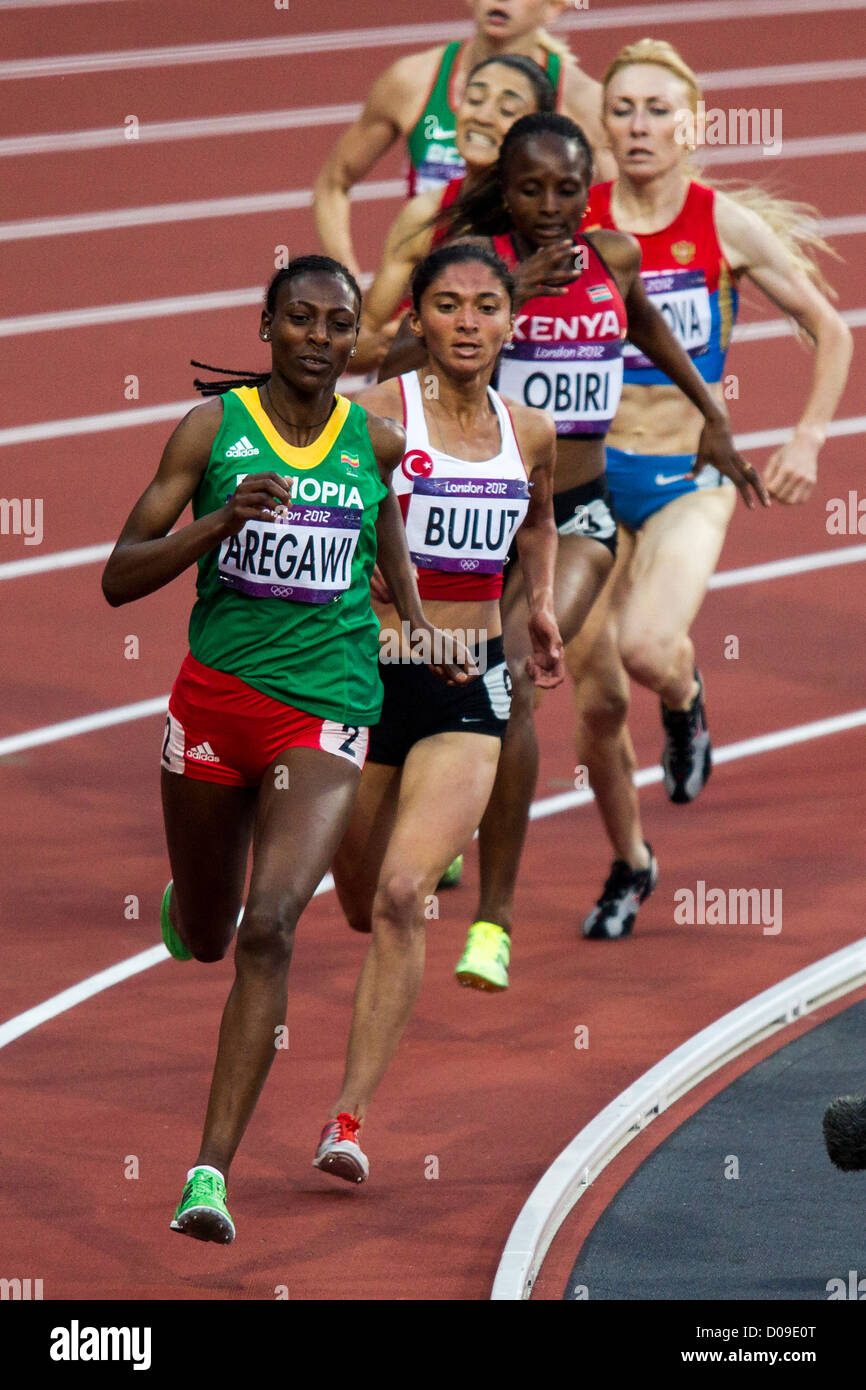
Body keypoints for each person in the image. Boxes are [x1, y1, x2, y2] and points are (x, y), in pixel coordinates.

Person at [101, 255, 465, 1244]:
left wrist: (415, 611)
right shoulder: (210, 433)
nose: (317, 335)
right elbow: (117, 577)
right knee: (215, 929)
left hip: (327, 706)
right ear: (265, 328)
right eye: (298, 318)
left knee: (271, 928)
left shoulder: (370, 438)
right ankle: (195, 902)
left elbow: (382, 509)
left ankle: (206, 1175)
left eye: (335, 323)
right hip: (214, 706)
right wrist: (220, 520)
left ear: (353, 339)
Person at [376, 111, 767, 991]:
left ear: (585, 188)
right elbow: (390, 360)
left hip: (571, 512)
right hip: (464, 522)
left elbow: (651, 332)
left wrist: (715, 415)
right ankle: (426, 820)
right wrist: (509, 285)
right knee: (395, 674)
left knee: (508, 688)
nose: (550, 205)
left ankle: (493, 921)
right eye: (530, 187)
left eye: (565, 188)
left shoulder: (615, 258)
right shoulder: (476, 268)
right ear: (505, 190)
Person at [566, 38, 852, 939]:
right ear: (602, 125)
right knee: (600, 697)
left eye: (658, 110)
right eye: (624, 109)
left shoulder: (719, 222)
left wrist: (806, 439)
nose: (640, 125)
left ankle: (687, 707)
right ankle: (631, 863)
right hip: (587, 485)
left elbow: (829, 328)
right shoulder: (576, 221)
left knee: (652, 650)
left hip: (688, 476)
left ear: (693, 125)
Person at [312, 242, 564, 1183]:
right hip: (362, 681)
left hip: (468, 686)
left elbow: (539, 518)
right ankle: (216, 873)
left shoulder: (530, 430)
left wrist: (535, 603)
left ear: (511, 320)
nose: (468, 322)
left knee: (396, 898)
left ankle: (349, 1120)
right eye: (448, 305)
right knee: (347, 900)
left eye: (486, 305)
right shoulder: (376, 414)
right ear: (416, 317)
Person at [313, 0, 612, 280]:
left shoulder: (581, 100)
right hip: (430, 292)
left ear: (553, 7)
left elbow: (617, 208)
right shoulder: (412, 81)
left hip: (533, 299)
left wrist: (575, 274)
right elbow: (333, 183)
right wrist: (346, 278)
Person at [353, 53, 556, 373]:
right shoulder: (425, 214)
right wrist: (399, 341)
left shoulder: (550, 220)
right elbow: (360, 346)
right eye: (475, 100)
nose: (483, 116)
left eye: (506, 110)